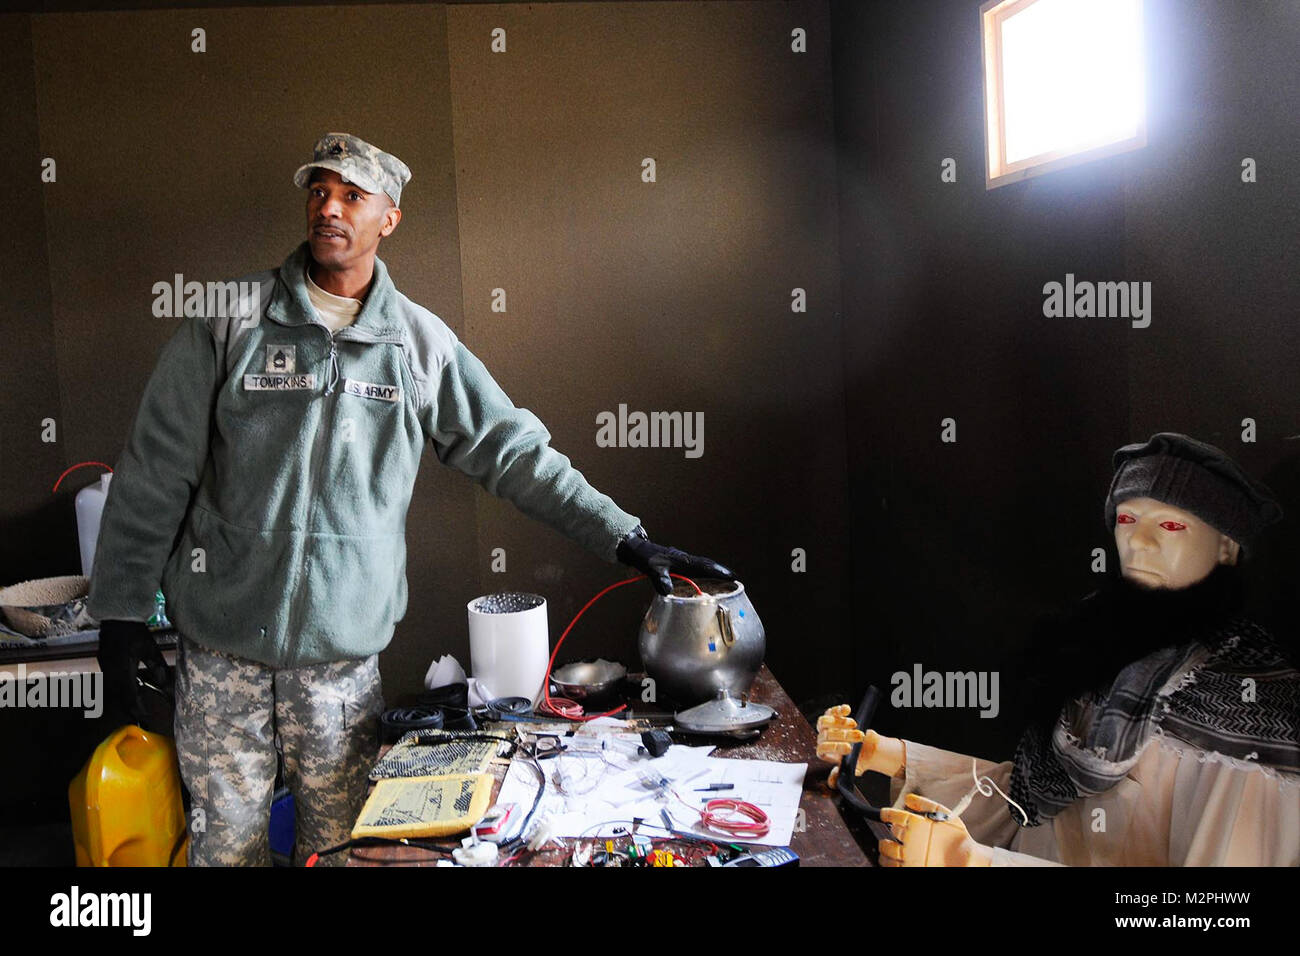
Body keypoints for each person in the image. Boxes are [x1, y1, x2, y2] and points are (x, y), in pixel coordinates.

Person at [87, 132, 732, 866]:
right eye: (319, 191)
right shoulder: (229, 323)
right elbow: (152, 473)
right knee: (225, 850)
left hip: (338, 669)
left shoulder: (418, 347)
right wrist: (121, 613)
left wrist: (624, 535)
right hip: (219, 656)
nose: (329, 207)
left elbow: (513, 452)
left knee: (340, 854)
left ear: (388, 219)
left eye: (352, 196)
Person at [818, 433, 1299, 866]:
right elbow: (1033, 809)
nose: (1140, 542)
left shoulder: (1251, 719)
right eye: (1128, 519)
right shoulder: (1108, 653)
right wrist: (889, 754)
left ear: (1227, 549)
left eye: (1171, 526)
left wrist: (973, 863)